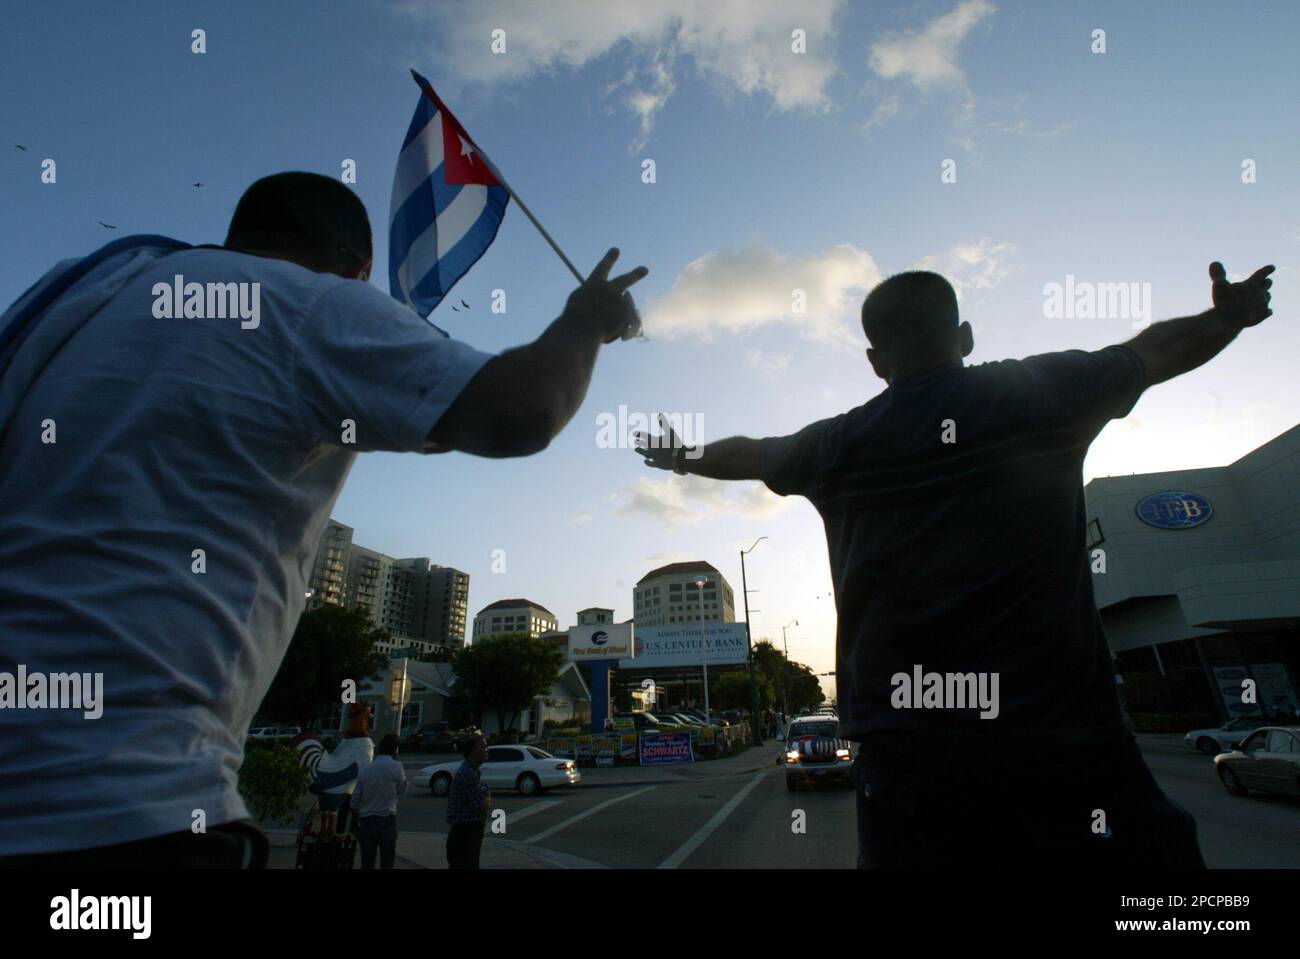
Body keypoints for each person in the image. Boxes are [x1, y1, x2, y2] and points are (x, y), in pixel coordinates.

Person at [0, 171, 647, 868]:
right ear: (356, 268)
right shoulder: (310, 305)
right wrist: (588, 319)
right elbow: (524, 409)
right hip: (121, 808)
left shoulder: (88, 297)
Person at [635, 261, 1274, 868]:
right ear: (964, 336)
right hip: (1066, 741)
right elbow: (1153, 352)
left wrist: (683, 456)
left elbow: (751, 453)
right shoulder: (1044, 392)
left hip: (908, 758)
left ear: (875, 362)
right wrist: (1229, 318)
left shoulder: (835, 446)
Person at [351, 733, 407, 869]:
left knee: (367, 860)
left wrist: (358, 818)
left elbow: (354, 801)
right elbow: (402, 789)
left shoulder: (366, 769)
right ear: (395, 750)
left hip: (367, 820)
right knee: (387, 860)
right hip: (387, 819)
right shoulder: (396, 766)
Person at [446, 734, 491, 869]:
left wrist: (484, 796)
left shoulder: (473, 772)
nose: (486, 750)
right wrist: (484, 798)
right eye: (483, 747)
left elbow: (482, 801)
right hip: (464, 833)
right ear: (473, 751)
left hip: (470, 832)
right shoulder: (467, 774)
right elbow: (484, 805)